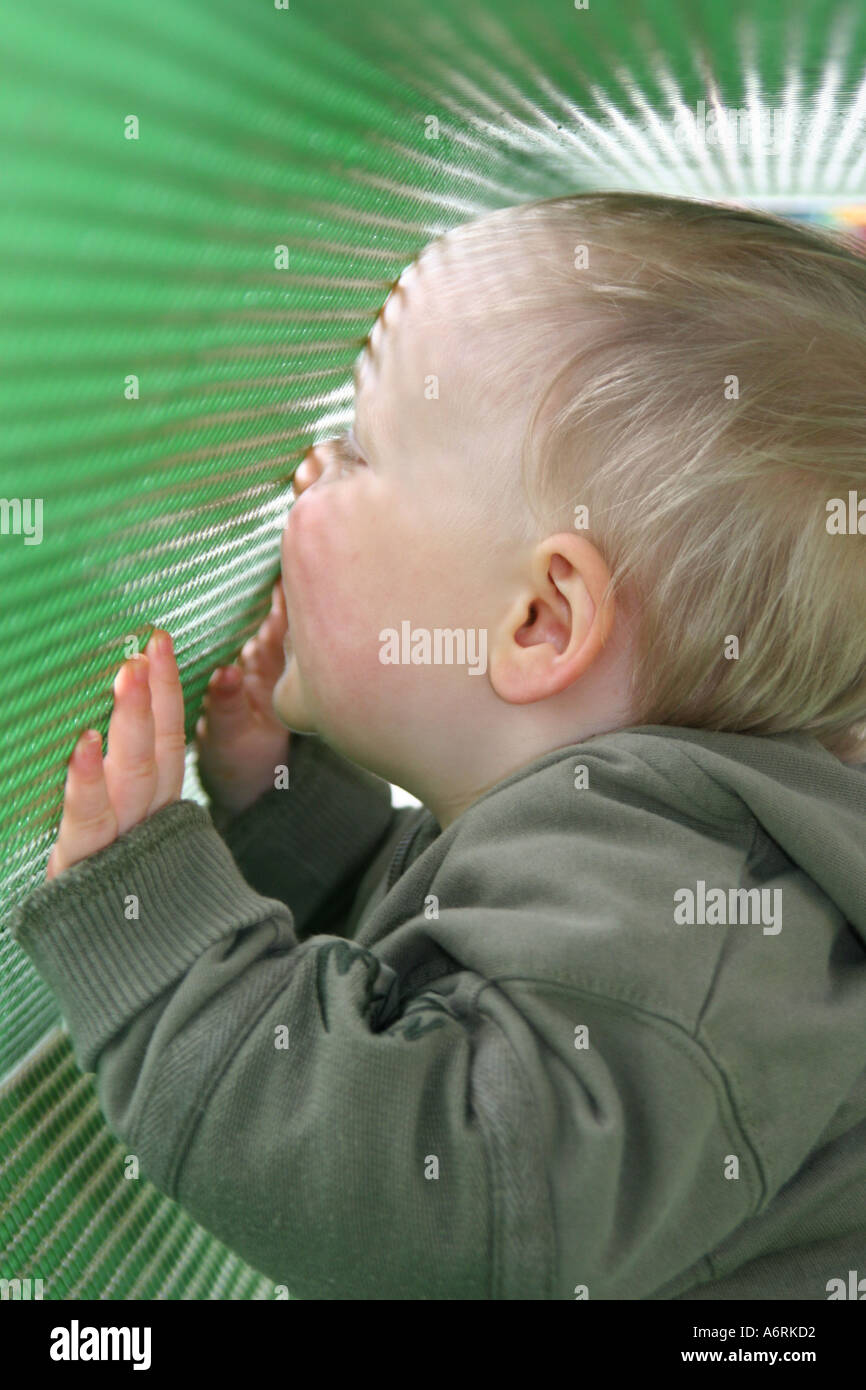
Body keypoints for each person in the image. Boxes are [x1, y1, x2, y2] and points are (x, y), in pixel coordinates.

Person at [9, 192, 866, 1299]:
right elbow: (451, 968)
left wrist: (167, 960)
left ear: (539, 623)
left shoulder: (698, 934)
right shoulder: (648, 853)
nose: (306, 472)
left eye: (360, 451)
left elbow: (451, 1207)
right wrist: (289, 809)